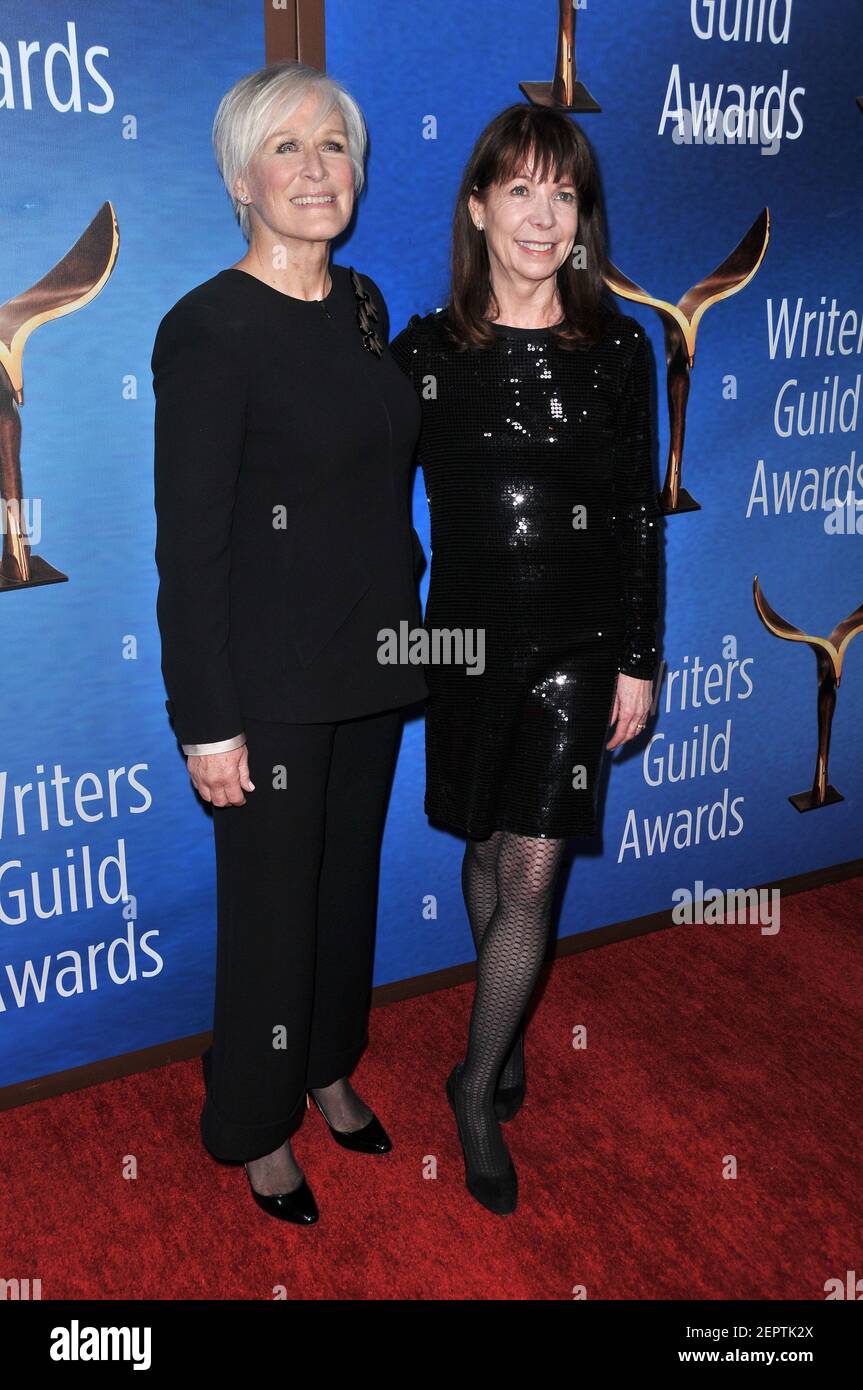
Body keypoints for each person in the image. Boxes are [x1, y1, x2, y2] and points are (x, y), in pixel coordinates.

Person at [152, 60, 427, 1224]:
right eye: (287, 149)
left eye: (335, 147)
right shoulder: (208, 328)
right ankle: (254, 1119)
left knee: (344, 887)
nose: (317, 170)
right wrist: (205, 717)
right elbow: (191, 547)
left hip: (375, 663)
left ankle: (322, 1062)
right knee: (272, 909)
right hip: (266, 687)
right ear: (238, 178)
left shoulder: (364, 307)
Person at [390, 104, 662, 1216]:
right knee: (483, 843)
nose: (542, 214)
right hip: (460, 638)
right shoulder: (421, 353)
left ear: (580, 216)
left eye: (563, 194)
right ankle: (497, 1041)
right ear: (477, 207)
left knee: (537, 866)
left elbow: (639, 516)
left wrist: (637, 659)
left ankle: (469, 1078)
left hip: (577, 644)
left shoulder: (616, 348)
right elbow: (359, 498)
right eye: (519, 191)